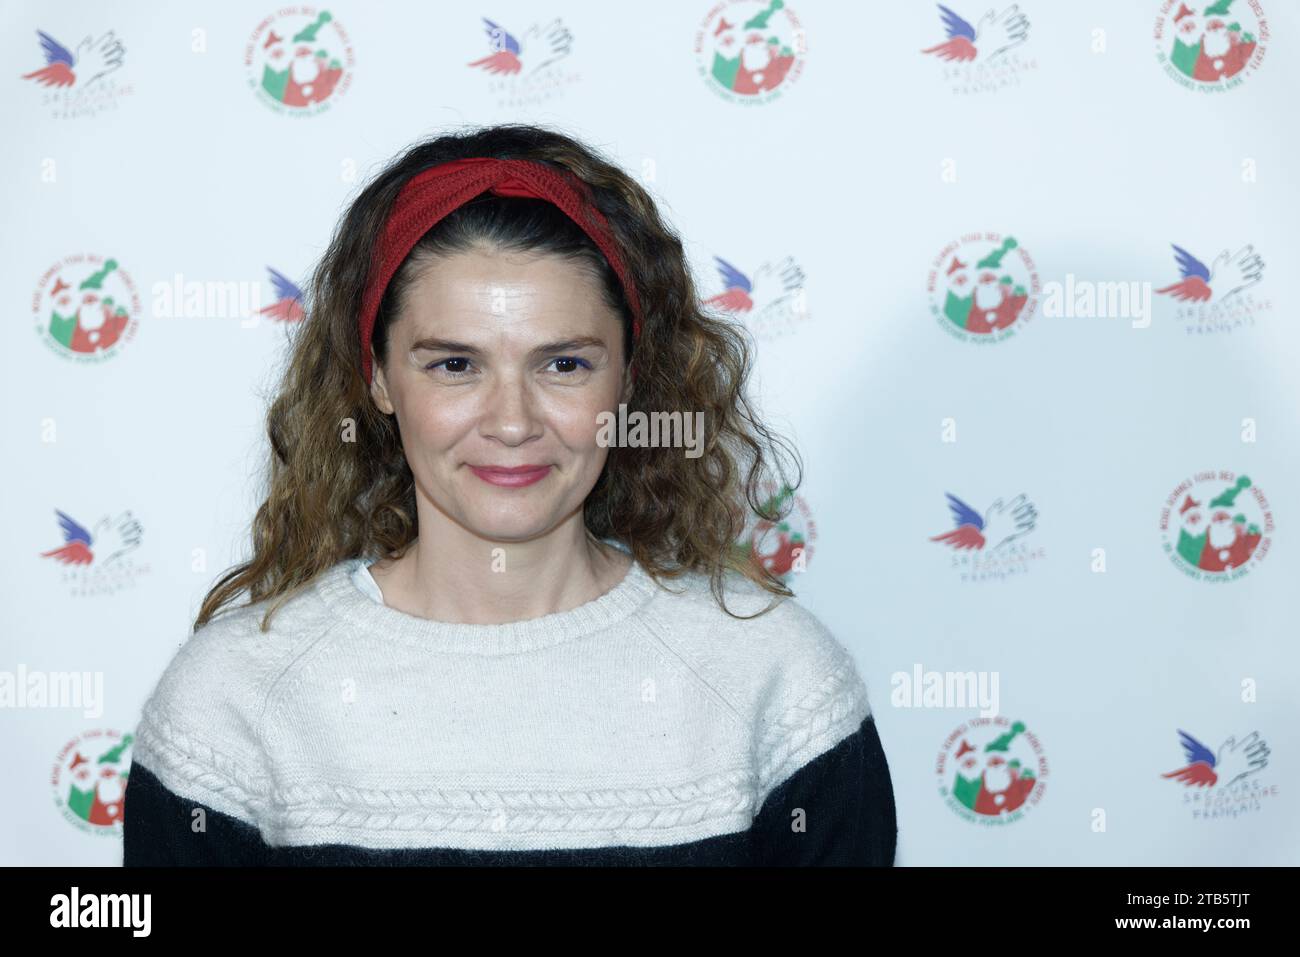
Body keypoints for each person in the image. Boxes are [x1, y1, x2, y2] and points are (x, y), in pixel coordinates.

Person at [122, 123, 897, 866]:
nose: (513, 422)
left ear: (628, 380)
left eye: (563, 365)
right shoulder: (230, 708)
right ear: (378, 378)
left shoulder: (780, 688)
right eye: (454, 365)